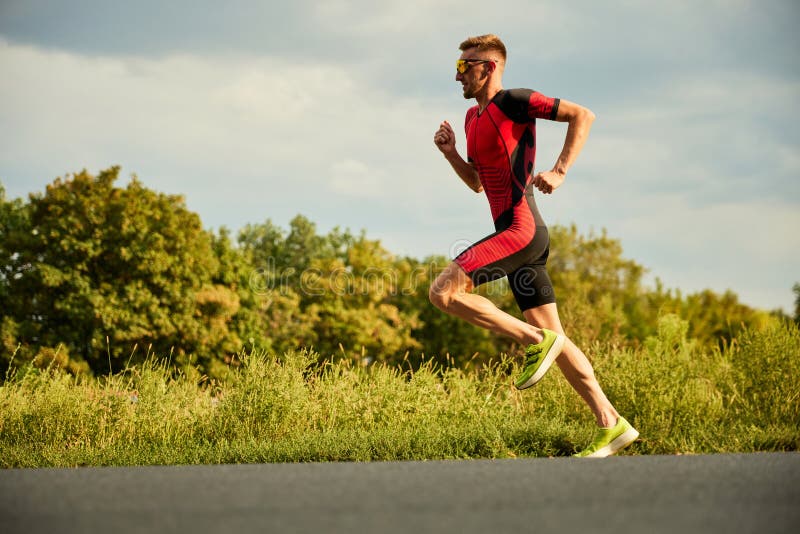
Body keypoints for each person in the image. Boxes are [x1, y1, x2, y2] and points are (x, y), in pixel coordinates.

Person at [430, 34, 638, 458]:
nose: (458, 75)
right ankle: (610, 422)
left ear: (488, 66)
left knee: (443, 292)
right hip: (517, 232)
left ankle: (531, 340)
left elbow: (584, 115)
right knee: (556, 338)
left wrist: (560, 171)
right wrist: (452, 154)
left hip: (521, 229)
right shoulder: (472, 119)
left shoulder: (515, 102)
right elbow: (477, 183)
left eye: (463, 66)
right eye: (457, 66)